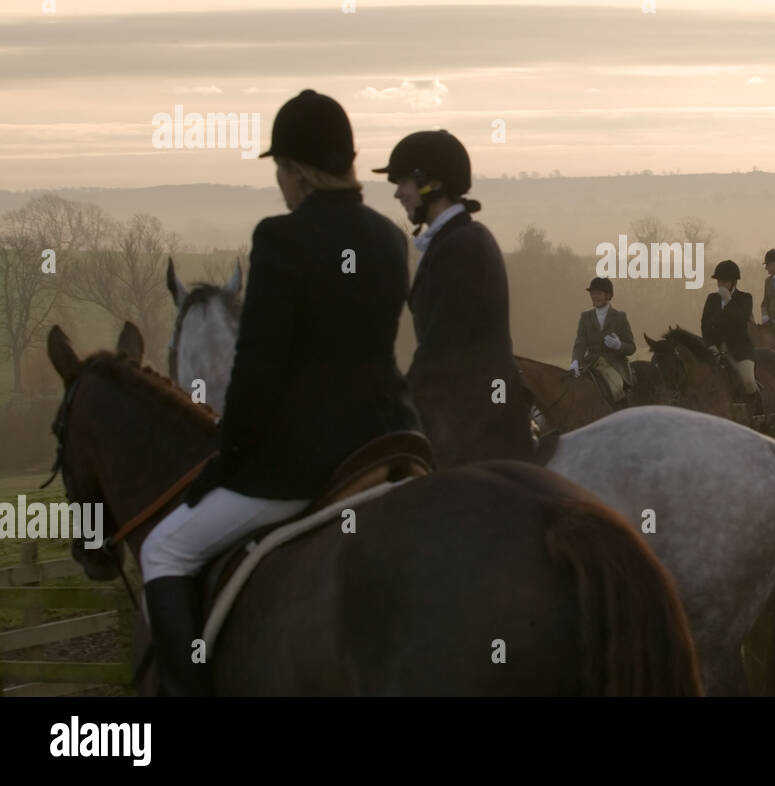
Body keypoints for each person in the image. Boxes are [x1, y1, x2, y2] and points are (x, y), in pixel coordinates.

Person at [140, 90, 421, 696]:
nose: (279, 184)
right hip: (393, 443)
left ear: (296, 170)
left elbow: (258, 371)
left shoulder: (280, 239)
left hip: (303, 467)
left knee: (163, 550)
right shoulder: (389, 238)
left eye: (280, 170)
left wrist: (227, 460)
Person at [374, 130, 532, 467]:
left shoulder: (462, 246)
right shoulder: (454, 240)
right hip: (462, 417)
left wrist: (393, 409)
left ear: (431, 183)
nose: (399, 193)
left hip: (476, 430)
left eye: (404, 182)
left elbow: (440, 355)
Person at [701, 259, 761, 413]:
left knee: (748, 381)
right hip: (715, 349)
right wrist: (711, 345)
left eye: (724, 281)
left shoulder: (745, 298)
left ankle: (758, 415)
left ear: (733, 282)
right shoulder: (711, 299)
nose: (720, 284)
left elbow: (741, 320)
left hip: (740, 350)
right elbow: (705, 325)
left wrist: (728, 301)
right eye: (719, 281)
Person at [569, 277, 635, 407]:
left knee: (617, 388)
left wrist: (619, 345)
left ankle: (622, 414)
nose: (595, 296)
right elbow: (580, 342)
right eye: (593, 293)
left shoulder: (620, 317)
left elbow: (632, 347)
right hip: (590, 363)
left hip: (614, 364)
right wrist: (576, 360)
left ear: (608, 295)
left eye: (598, 293)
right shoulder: (585, 317)